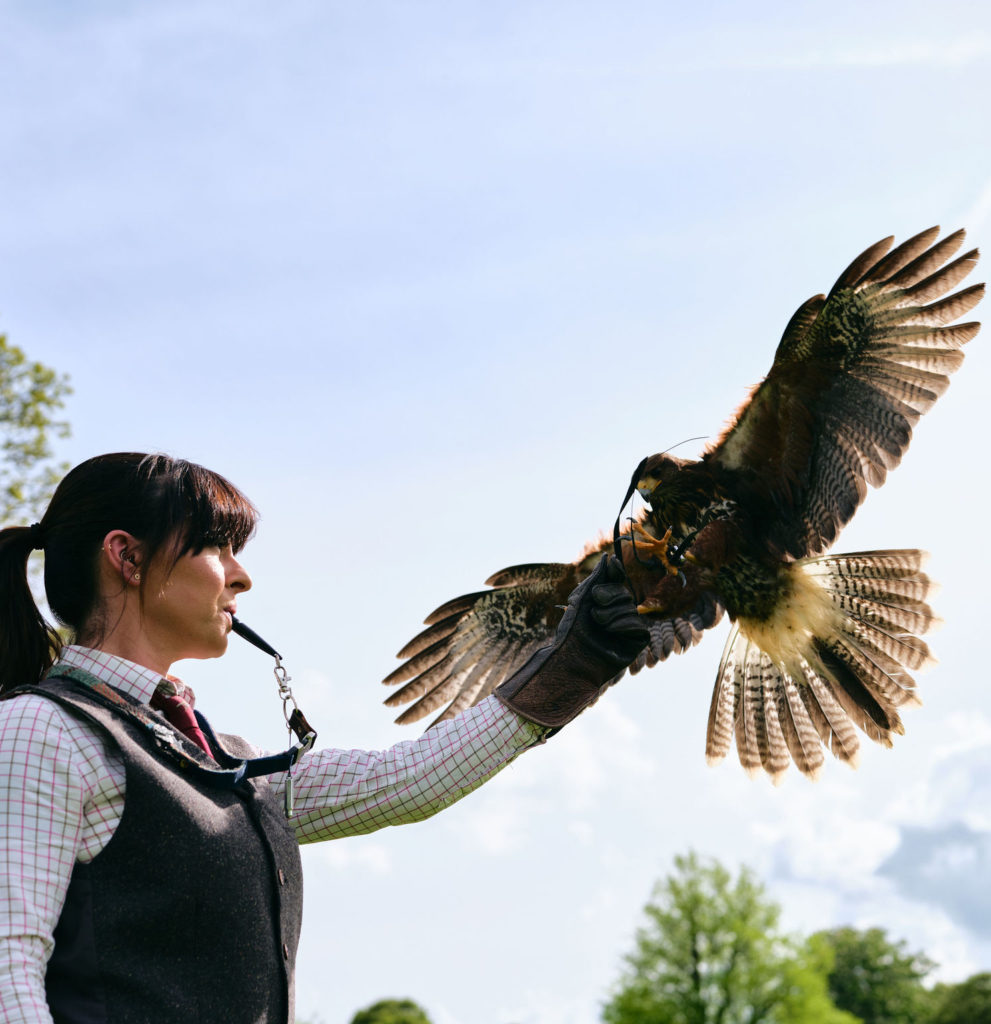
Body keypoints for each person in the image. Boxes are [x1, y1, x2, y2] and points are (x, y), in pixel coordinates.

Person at [0, 452, 648, 1024]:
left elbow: (404, 782)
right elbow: (7, 974)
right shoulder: (39, 731)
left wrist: (579, 662)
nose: (240, 576)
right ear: (128, 556)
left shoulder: (225, 763)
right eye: (214, 547)